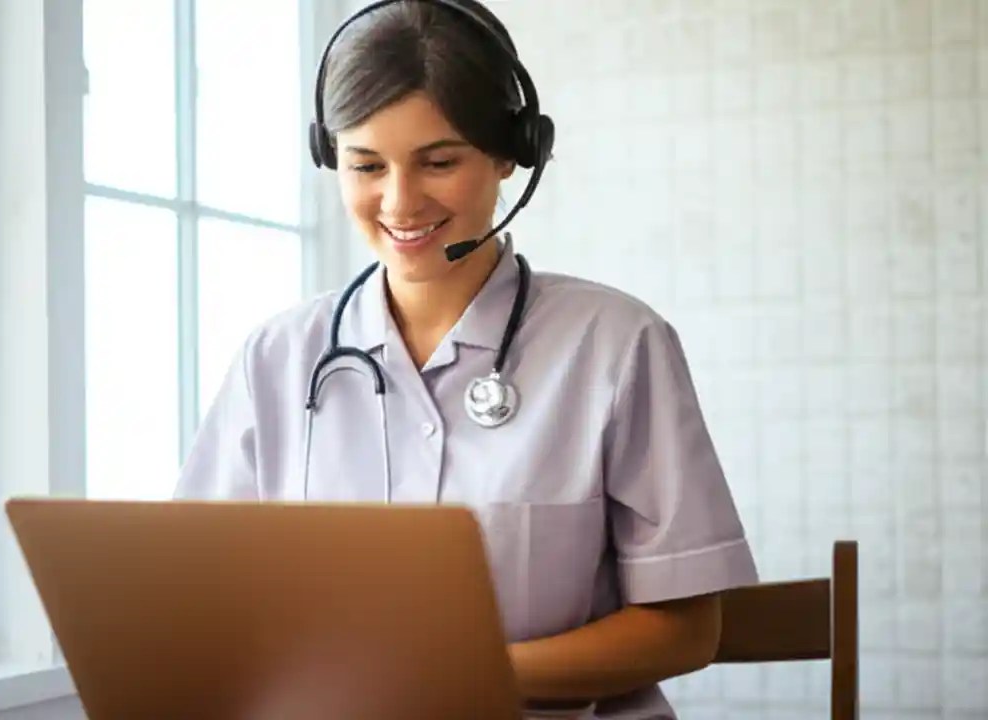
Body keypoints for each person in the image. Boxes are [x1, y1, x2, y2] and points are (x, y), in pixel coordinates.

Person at [173, 0, 758, 716]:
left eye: (439, 161)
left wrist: (463, 674)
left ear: (511, 152)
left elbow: (686, 629)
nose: (399, 201)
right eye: (365, 164)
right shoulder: (276, 360)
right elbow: (200, 603)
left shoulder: (616, 345)